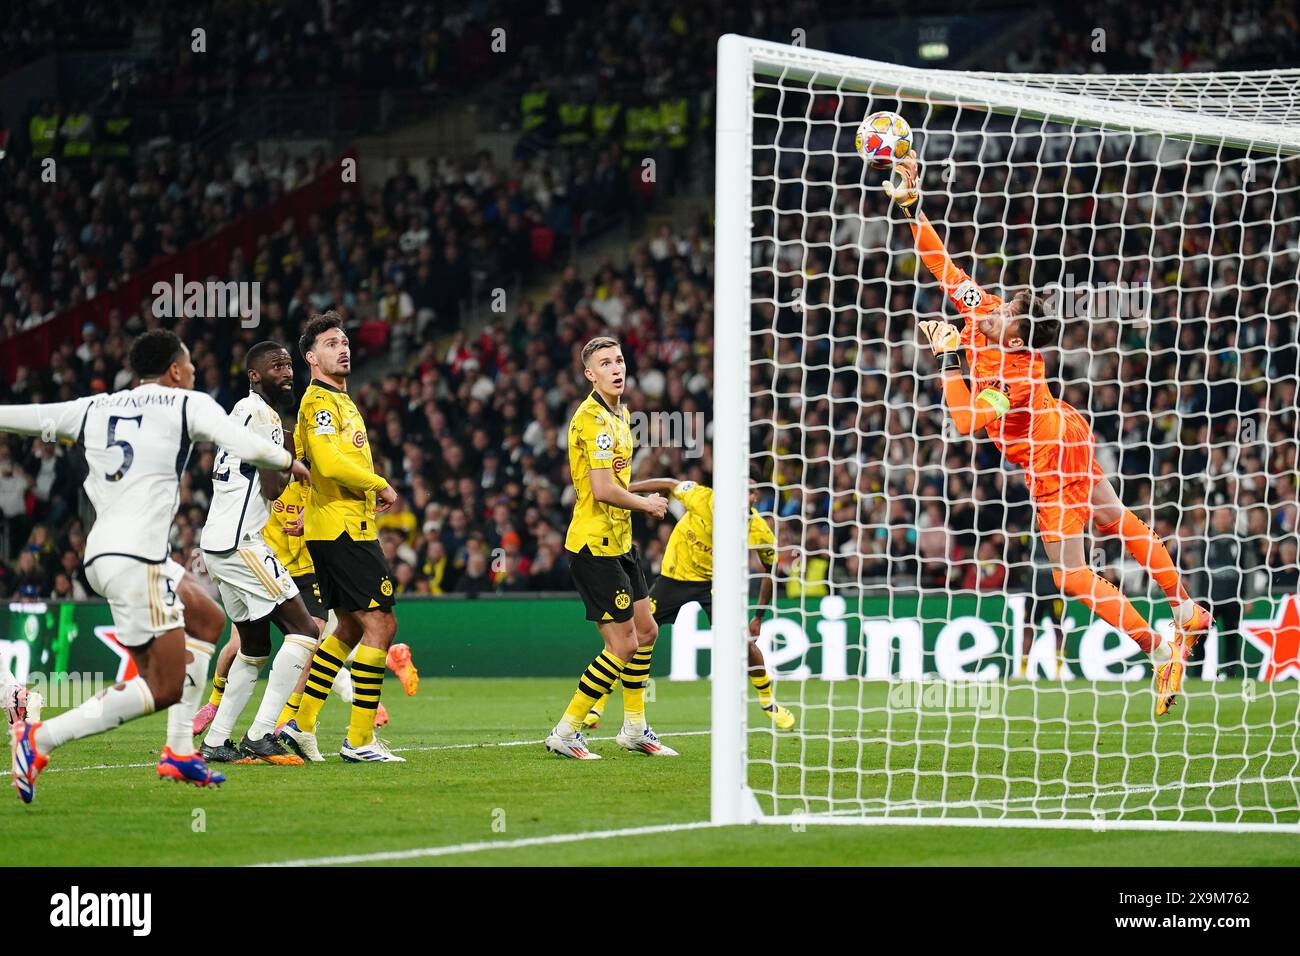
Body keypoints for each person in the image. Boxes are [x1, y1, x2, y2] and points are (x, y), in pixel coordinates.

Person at [884, 156, 1212, 717]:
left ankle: (1158, 650)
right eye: (1000, 306)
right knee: (1113, 515)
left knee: (1071, 573)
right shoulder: (981, 311)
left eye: (1004, 316)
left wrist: (947, 359)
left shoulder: (1013, 374)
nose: (992, 311)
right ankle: (1185, 610)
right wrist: (913, 206)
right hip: (1069, 427)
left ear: (1017, 339)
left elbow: (966, 423)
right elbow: (941, 264)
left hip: (1047, 451)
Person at [3, 329, 304, 801]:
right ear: (174, 370)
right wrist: (289, 459)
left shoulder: (92, 407)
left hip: (108, 552)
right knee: (162, 686)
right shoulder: (188, 403)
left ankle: (180, 751)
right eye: (189, 364)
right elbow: (246, 444)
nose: (195, 372)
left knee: (207, 617)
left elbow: (20, 418)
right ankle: (38, 740)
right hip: (135, 557)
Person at [277, 312, 404, 763]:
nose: (343, 348)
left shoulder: (340, 400)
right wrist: (378, 482)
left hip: (339, 526)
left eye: (345, 341)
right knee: (381, 624)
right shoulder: (318, 403)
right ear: (311, 357)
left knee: (349, 627)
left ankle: (301, 723)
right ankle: (359, 739)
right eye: (331, 343)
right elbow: (328, 466)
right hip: (342, 529)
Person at [544, 336, 671, 760]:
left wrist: (642, 495)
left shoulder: (621, 414)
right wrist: (646, 504)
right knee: (622, 645)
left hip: (619, 542)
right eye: (606, 363)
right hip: (594, 546)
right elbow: (601, 489)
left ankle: (634, 727)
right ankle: (566, 730)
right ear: (589, 374)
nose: (617, 368)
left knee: (647, 631)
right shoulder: (593, 420)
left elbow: (615, 483)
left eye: (619, 360)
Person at [582, 477, 795, 731]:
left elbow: (769, 571)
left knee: (745, 644)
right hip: (675, 577)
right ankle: (598, 703)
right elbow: (670, 483)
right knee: (634, 636)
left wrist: (759, 616)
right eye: (742, 489)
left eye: (751, 491)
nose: (746, 495)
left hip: (715, 586)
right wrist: (627, 490)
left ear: (755, 498)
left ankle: (767, 701)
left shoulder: (759, 530)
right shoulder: (702, 497)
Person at [195, 342, 320, 766]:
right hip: (241, 542)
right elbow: (270, 487)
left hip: (218, 542)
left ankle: (216, 741)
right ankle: (262, 732)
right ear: (254, 375)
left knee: (253, 647)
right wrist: (290, 463)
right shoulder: (264, 416)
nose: (286, 372)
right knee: (305, 631)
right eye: (276, 366)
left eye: (288, 364)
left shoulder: (240, 412)